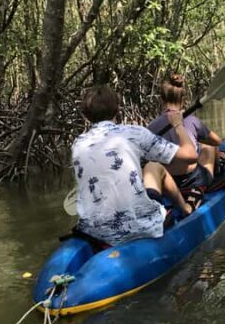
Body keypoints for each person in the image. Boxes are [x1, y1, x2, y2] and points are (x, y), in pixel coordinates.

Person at [72, 85, 198, 247]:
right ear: (118, 109)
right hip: (139, 229)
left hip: (93, 233)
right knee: (155, 167)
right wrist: (178, 125)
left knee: (150, 166)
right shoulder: (136, 133)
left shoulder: (78, 144)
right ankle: (186, 209)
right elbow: (190, 156)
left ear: (86, 114)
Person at [147, 73, 224, 197]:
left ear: (161, 99)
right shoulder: (192, 121)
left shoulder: (151, 127)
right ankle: (216, 174)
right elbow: (217, 141)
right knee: (209, 147)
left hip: (168, 184)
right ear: (183, 100)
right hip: (195, 181)